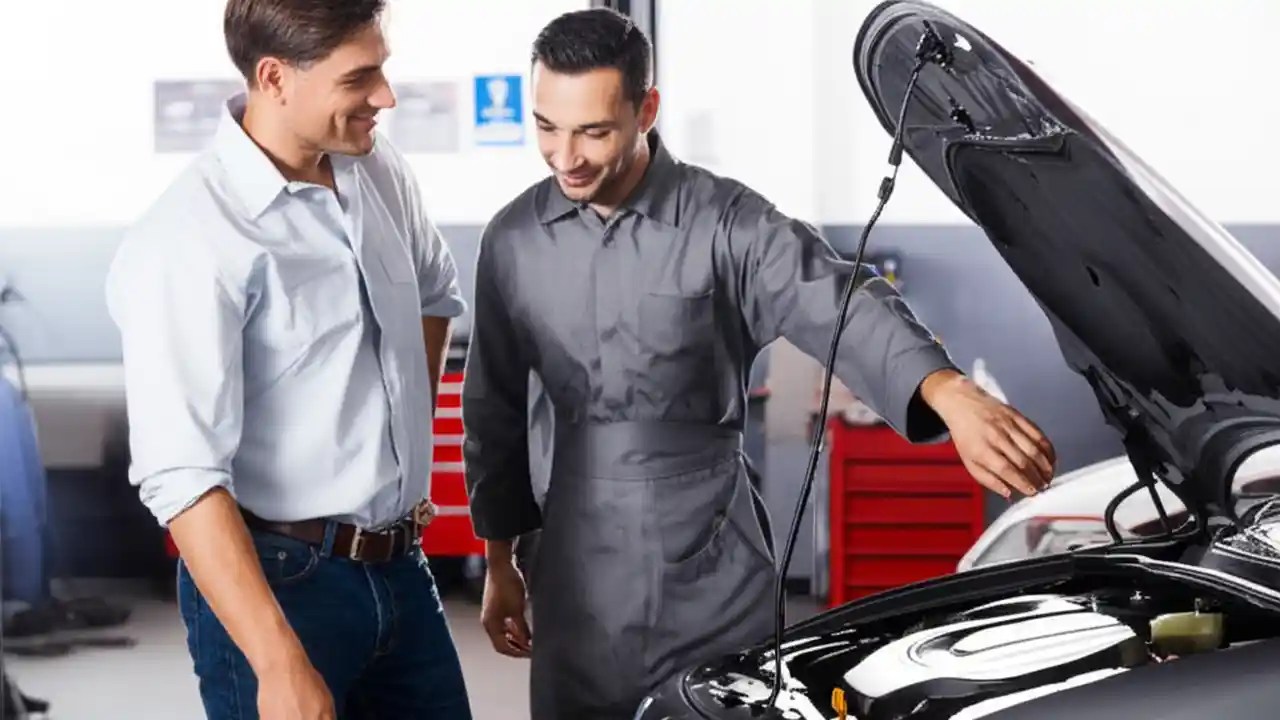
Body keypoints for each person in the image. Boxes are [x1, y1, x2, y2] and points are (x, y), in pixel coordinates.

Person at [461, 7, 1058, 719]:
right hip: (572, 562)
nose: (566, 157)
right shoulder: (513, 241)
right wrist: (499, 561)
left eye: (593, 131)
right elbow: (493, 411)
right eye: (546, 127)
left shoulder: (726, 222)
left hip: (709, 561)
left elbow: (836, 298)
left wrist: (947, 390)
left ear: (646, 110)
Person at [104, 1, 472, 718]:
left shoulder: (378, 170)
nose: (386, 97)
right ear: (275, 78)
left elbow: (434, 295)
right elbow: (182, 476)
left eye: (383, 70)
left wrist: (405, 461)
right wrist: (277, 662)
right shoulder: (187, 239)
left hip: (402, 568)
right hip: (282, 584)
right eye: (358, 78)